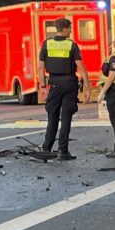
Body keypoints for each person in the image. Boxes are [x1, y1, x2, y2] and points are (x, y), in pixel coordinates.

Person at [38, 18, 82, 160]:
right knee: (66, 118)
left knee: (52, 117)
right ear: (64, 29)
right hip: (69, 83)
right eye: (70, 28)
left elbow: (40, 68)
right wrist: (87, 86)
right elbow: (81, 67)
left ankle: (46, 148)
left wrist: (43, 86)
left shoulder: (46, 44)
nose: (71, 31)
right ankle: (63, 151)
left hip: (54, 84)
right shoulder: (72, 45)